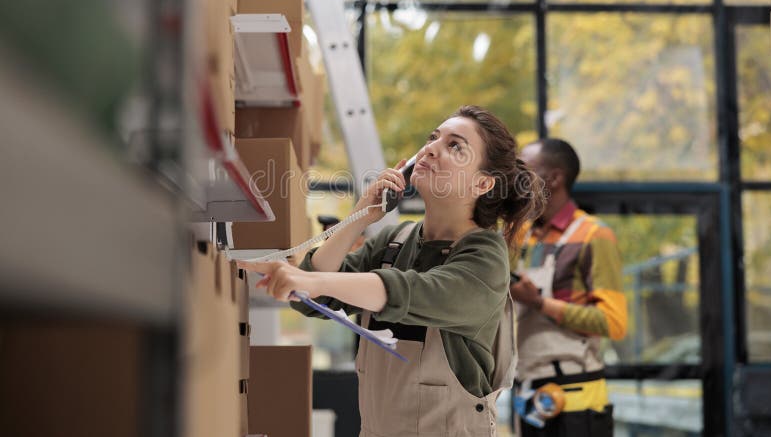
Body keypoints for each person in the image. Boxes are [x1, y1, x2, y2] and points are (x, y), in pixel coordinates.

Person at [240, 105, 546, 437]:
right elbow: (313, 298)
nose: (431, 148)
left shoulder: (485, 257)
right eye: (433, 138)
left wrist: (309, 280)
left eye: (455, 145)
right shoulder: (394, 241)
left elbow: (409, 290)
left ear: (483, 183)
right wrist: (360, 215)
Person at [510, 139, 627, 437]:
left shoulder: (595, 235)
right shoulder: (523, 237)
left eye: (525, 171)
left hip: (577, 401)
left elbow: (613, 323)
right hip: (529, 396)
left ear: (554, 178)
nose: (516, 178)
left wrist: (539, 303)